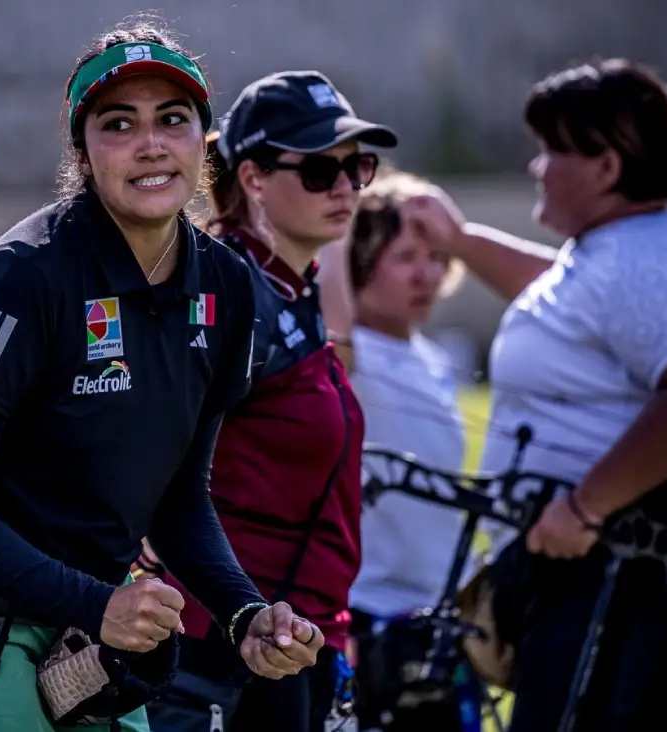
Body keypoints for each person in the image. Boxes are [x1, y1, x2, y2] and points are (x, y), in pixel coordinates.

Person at [0, 17, 325, 732]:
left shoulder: (229, 288)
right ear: (83, 151)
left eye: (172, 120)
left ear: (201, 144)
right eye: (119, 123)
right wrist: (98, 603)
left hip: (98, 635)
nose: (151, 144)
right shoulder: (20, 279)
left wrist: (243, 612)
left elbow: (178, 497)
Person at [401, 58, 667, 731]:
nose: (537, 167)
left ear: (606, 168)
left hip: (629, 554)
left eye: (553, 151)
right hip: (613, 554)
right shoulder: (618, 253)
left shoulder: (651, 257)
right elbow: (563, 303)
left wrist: (584, 506)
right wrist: (460, 240)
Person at [144, 70, 398, 732]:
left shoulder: (289, 286)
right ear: (253, 178)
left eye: (357, 167)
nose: (346, 187)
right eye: (320, 170)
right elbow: (140, 465)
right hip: (217, 654)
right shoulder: (226, 292)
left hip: (289, 648)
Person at [313, 169, 483, 731]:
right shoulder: (347, 354)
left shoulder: (437, 360)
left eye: (437, 256)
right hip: (367, 618)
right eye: (406, 255)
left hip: (437, 622)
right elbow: (332, 312)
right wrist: (345, 209)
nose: (427, 273)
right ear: (361, 259)